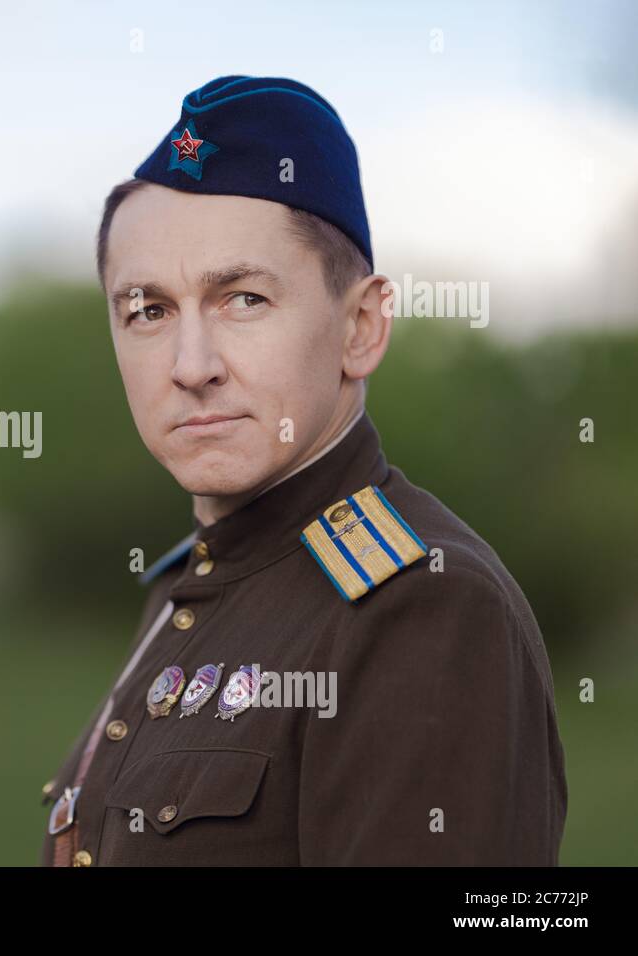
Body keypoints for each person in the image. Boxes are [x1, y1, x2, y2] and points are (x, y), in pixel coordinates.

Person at [38, 75, 566, 867]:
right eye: (148, 310)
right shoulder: (184, 584)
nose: (191, 366)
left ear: (361, 327)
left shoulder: (422, 606)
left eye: (243, 299)